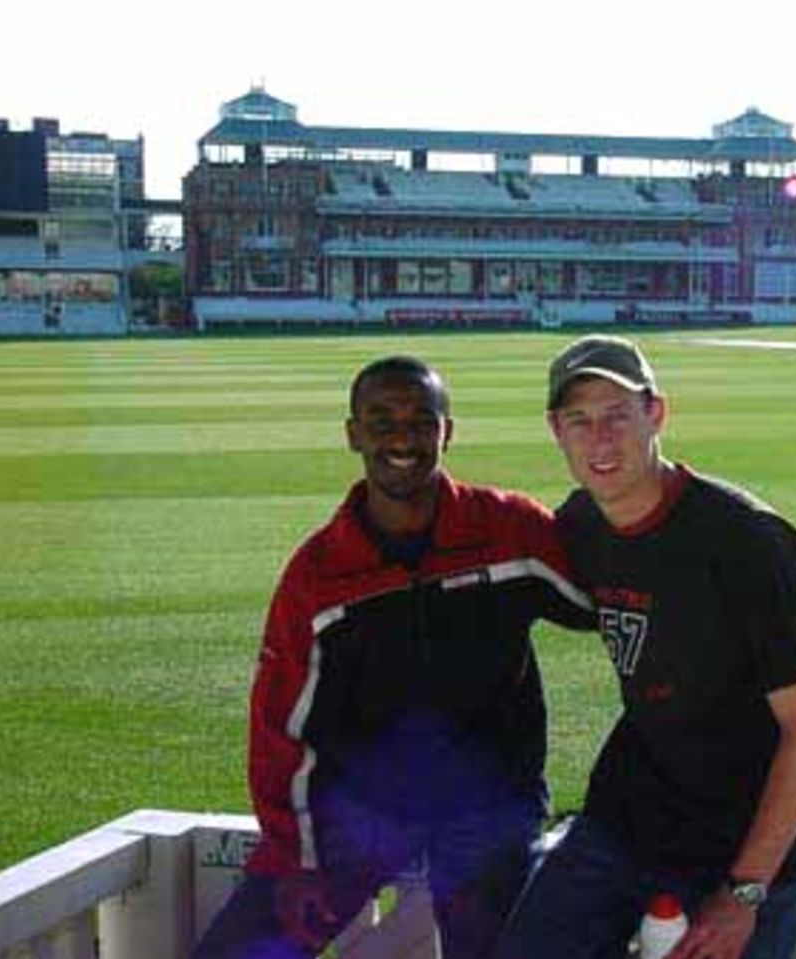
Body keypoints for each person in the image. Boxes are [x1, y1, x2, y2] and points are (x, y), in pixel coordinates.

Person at [194, 356, 594, 959]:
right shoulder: (318, 574)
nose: (402, 439)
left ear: (446, 431)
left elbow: (607, 601)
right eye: (382, 421)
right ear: (353, 433)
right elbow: (280, 730)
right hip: (361, 815)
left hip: (488, 809)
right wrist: (298, 858)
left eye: (421, 421)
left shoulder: (510, 529)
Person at [502, 335, 796, 959]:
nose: (600, 440)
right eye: (579, 421)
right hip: (632, 818)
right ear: (556, 430)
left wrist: (744, 893)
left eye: (617, 415)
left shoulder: (742, 541)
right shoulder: (579, 525)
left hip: (745, 841)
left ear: (655, 413)